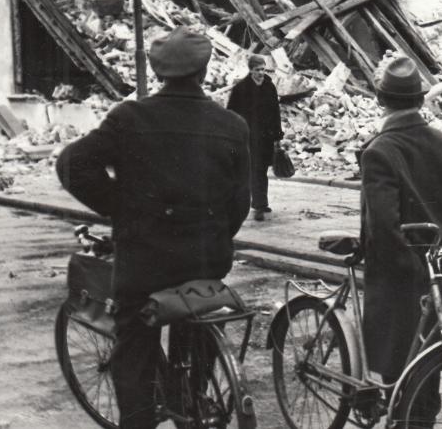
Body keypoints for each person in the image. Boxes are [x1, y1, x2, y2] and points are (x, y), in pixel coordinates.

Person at [56, 27, 251, 428]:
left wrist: (120, 209)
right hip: (204, 259)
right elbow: (240, 203)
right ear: (204, 69)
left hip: (144, 260)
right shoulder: (231, 125)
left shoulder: (130, 118)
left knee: (134, 346)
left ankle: (141, 418)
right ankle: (191, 402)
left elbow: (73, 165)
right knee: (197, 323)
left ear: (157, 71)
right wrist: (212, 232)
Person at [359, 56, 442, 422]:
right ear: (421, 99)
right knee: (427, 378)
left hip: (397, 284)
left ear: (380, 99)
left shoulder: (379, 151)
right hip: (436, 278)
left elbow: (383, 229)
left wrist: (403, 270)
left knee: (395, 383)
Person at [226, 53, 283, 221]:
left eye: (263, 69)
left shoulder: (269, 87)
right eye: (258, 70)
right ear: (250, 70)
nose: (261, 73)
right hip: (248, 137)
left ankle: (261, 203)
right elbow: (231, 113)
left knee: (262, 170)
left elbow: (275, 112)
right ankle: (254, 204)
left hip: (265, 137)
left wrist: (278, 134)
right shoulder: (241, 88)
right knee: (252, 170)